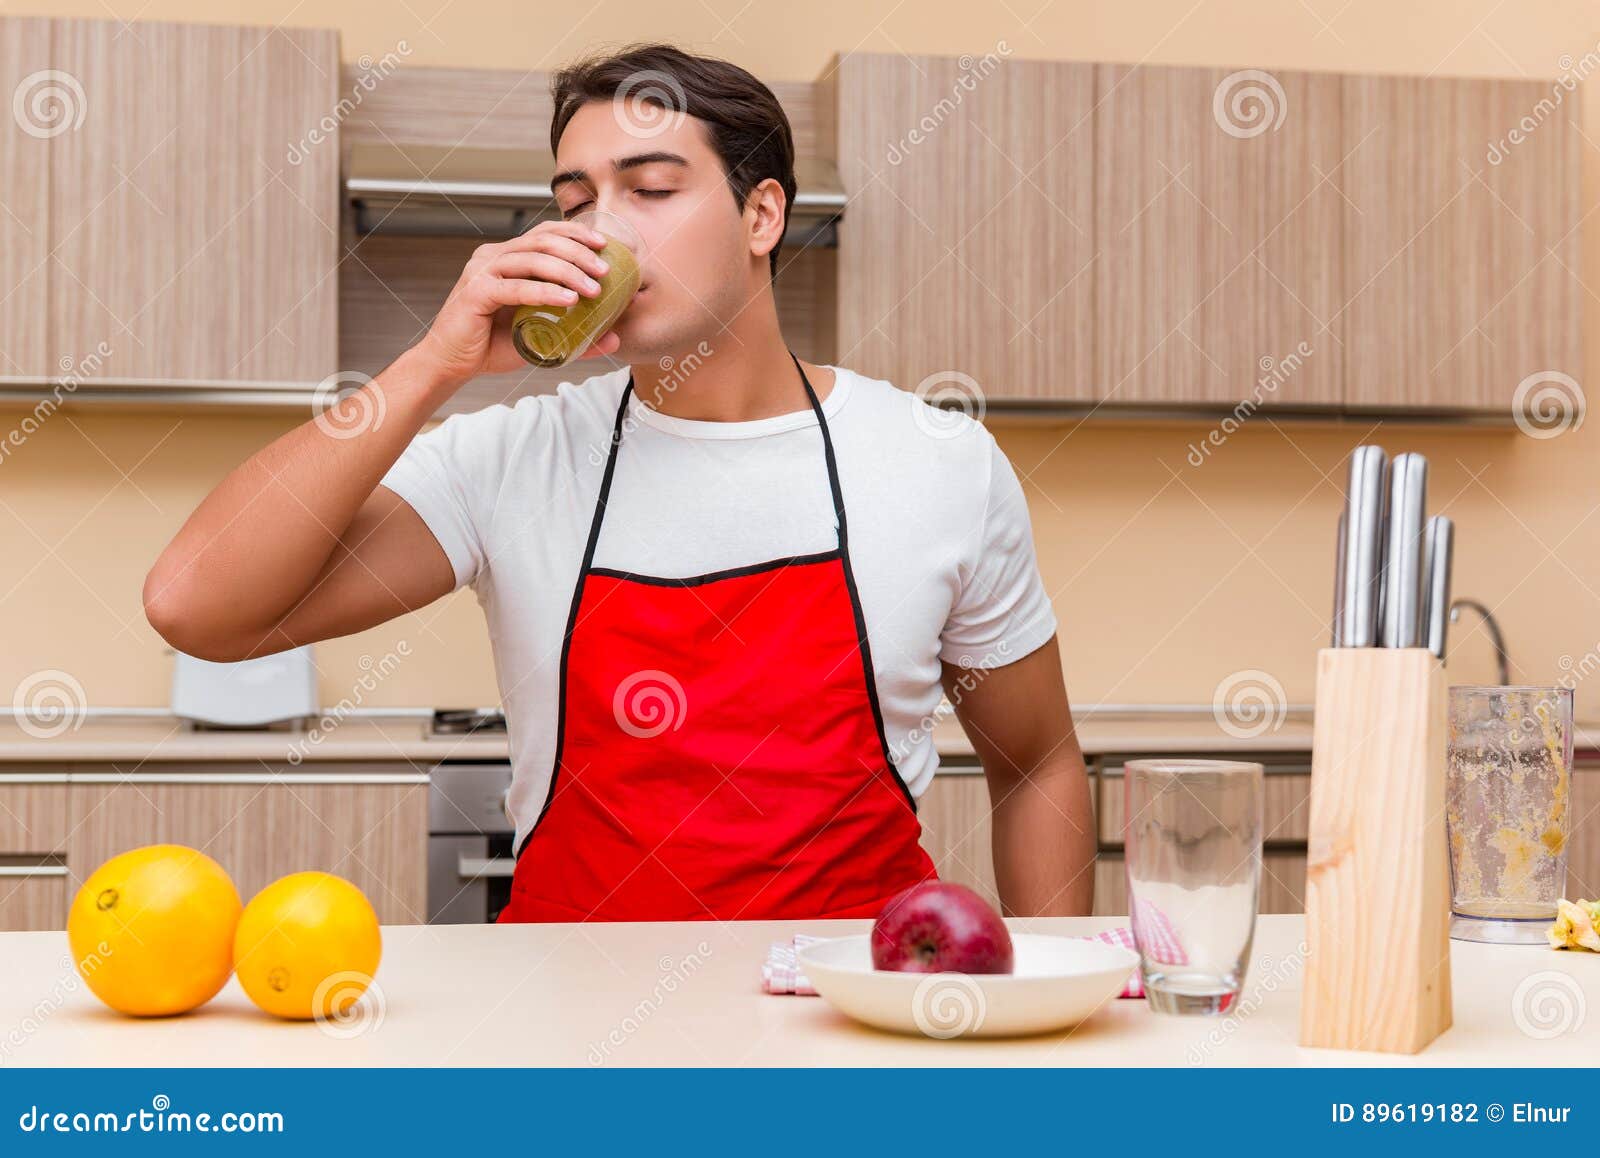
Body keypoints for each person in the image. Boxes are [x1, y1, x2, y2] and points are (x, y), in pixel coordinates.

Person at [144, 43, 1095, 922]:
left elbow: (1038, 761)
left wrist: (1059, 1022)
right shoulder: (512, 456)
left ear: (762, 215)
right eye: (574, 201)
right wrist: (433, 363)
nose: (600, 228)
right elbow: (197, 606)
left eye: (647, 188)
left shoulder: (936, 461)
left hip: (852, 1018)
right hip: (575, 1030)